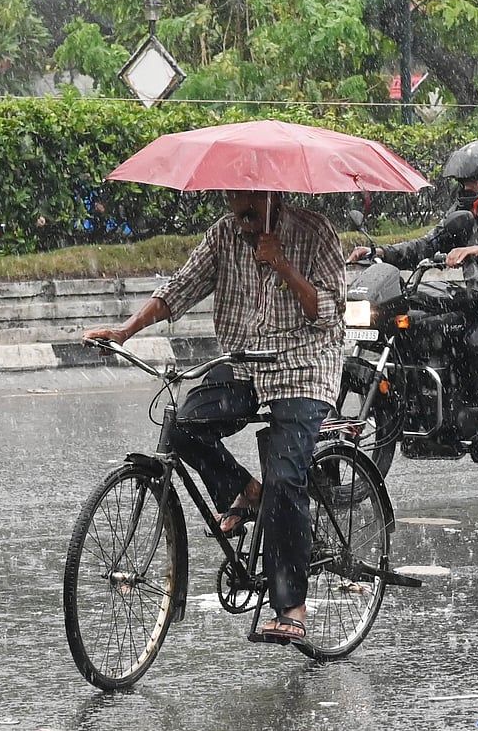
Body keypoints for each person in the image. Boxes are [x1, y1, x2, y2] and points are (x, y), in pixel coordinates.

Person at [83, 190, 347, 644]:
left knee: (286, 477)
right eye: (235, 211)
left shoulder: (315, 232)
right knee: (183, 425)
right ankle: (245, 490)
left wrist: (284, 266)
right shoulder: (224, 236)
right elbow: (178, 290)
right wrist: (126, 331)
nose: (242, 223)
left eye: (250, 213)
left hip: (304, 367)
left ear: (272, 196)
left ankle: (292, 607)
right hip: (244, 365)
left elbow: (328, 312)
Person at [347, 138, 478, 443]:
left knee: (477, 343)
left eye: (474, 181)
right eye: (464, 182)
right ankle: (446, 402)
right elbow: (428, 243)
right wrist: (382, 252)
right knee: (422, 319)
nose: (467, 188)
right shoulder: (463, 211)